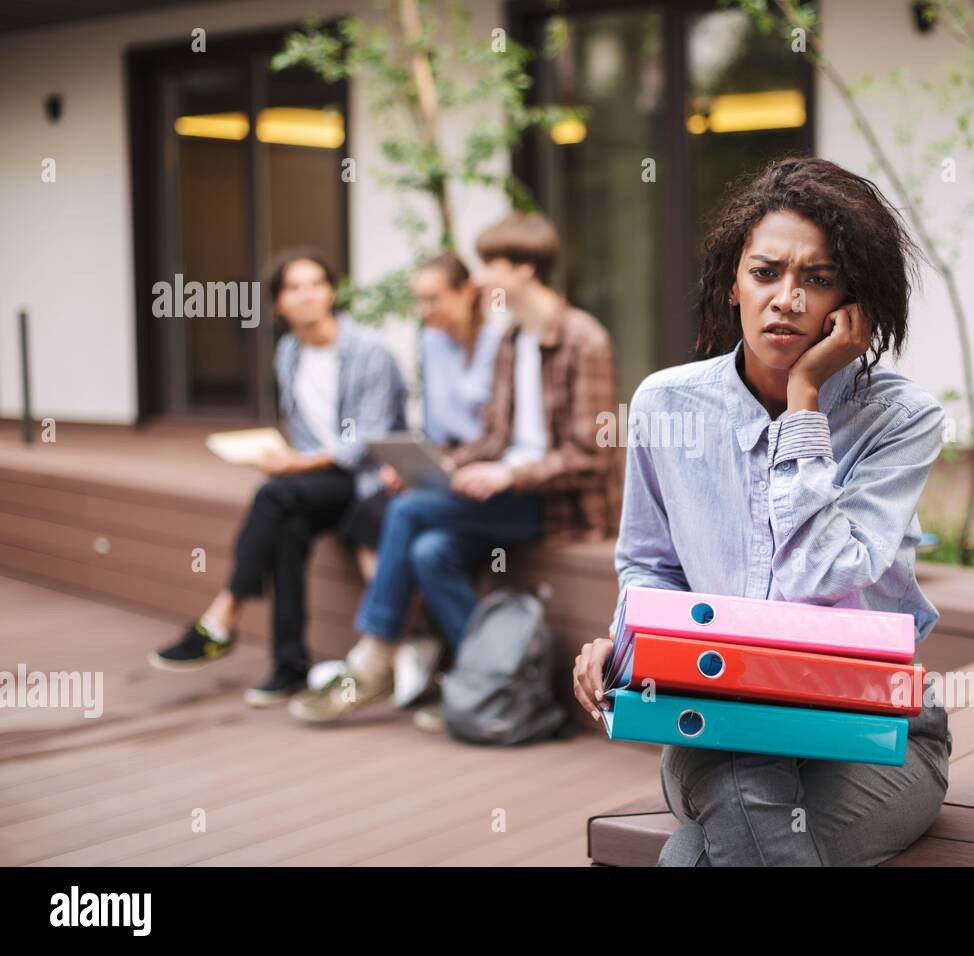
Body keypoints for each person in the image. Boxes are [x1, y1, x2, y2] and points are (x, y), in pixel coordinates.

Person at [572, 156, 953, 866]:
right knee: (742, 769)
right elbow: (650, 565)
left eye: (819, 279)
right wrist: (628, 644)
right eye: (766, 272)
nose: (786, 298)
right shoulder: (666, 404)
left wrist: (805, 400)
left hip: (874, 735)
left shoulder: (901, 420)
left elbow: (824, 576)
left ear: (855, 303)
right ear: (731, 284)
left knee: (693, 858)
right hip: (716, 728)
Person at [289, 212, 620, 724]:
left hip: (555, 503)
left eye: (491, 264)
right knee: (430, 550)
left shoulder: (584, 340)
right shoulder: (513, 340)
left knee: (410, 511)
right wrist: (441, 463)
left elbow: (590, 454)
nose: (481, 277)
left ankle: (374, 659)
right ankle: (483, 687)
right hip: (506, 490)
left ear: (526, 269)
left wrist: (508, 475)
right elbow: (491, 436)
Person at [148, 249, 408, 707]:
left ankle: (224, 615)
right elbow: (303, 432)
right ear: (278, 304)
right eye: (294, 288)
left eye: (316, 284)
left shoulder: (369, 350)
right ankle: (289, 667)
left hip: (367, 481)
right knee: (286, 525)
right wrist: (282, 456)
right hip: (314, 482)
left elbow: (372, 437)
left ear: (332, 292)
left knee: (274, 496)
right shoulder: (287, 353)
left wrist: (296, 465)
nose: (307, 295)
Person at [343, 251, 511, 577]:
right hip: (443, 466)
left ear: (466, 292)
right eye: (419, 301)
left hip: (484, 470)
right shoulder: (431, 342)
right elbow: (435, 429)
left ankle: (381, 625)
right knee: (366, 513)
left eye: (433, 300)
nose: (424, 311)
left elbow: (498, 436)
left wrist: (451, 464)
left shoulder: (499, 344)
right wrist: (409, 467)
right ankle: (393, 622)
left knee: (412, 524)